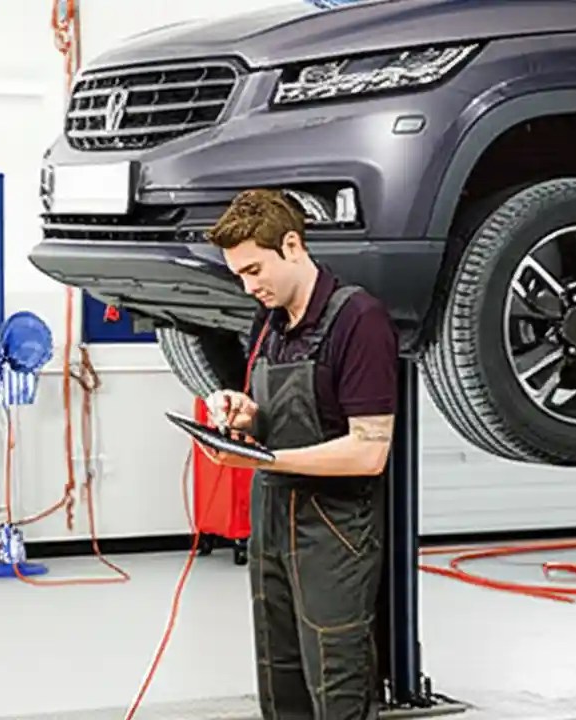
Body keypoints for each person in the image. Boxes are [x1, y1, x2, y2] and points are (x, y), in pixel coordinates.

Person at [198, 188, 398, 720]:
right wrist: (244, 413)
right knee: (279, 675)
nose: (248, 285)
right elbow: (280, 414)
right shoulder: (267, 321)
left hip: (334, 535)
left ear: (292, 245)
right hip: (271, 528)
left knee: (338, 681)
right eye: (239, 274)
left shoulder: (359, 321)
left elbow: (369, 451)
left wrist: (264, 462)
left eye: (255, 269)